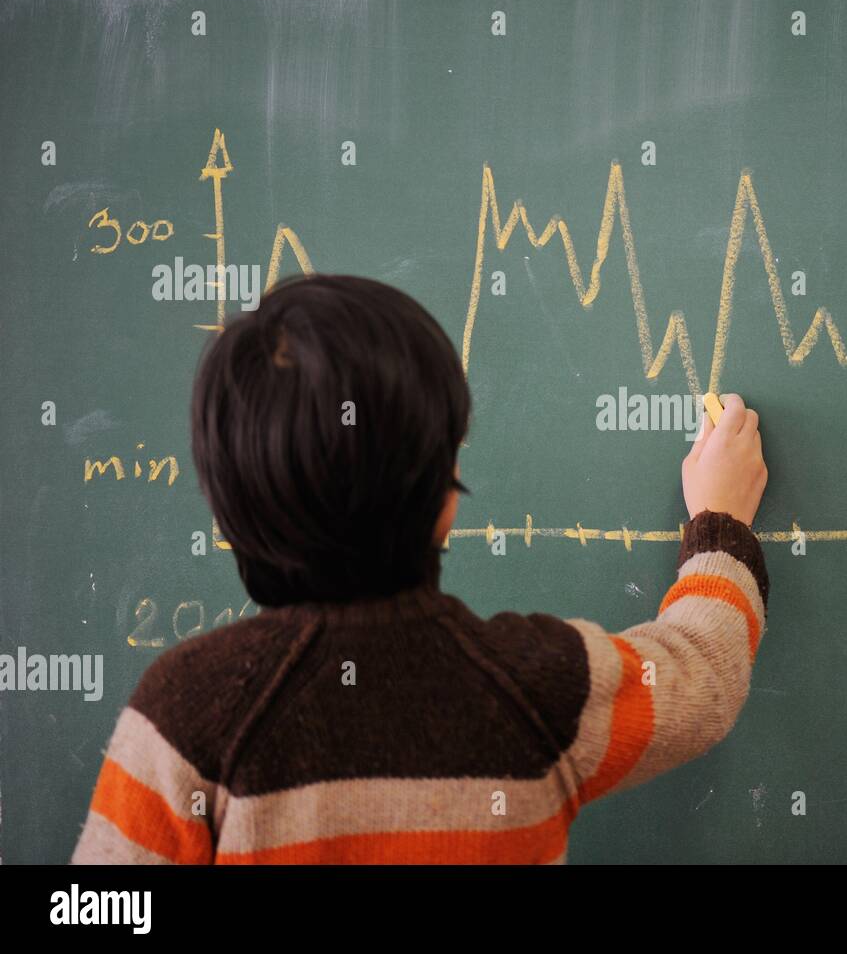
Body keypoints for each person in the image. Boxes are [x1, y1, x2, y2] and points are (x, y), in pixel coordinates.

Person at [71, 275, 769, 864]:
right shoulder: (540, 688)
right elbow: (702, 673)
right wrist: (721, 522)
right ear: (444, 499)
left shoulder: (185, 715)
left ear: (226, 511)